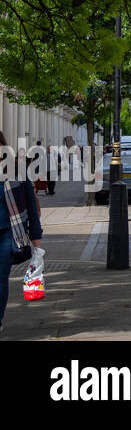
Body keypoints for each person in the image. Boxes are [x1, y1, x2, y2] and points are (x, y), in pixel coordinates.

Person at [1, 129, 44, 334]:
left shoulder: (17, 171)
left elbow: (31, 205)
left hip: (9, 235)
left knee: (0, 278)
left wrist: (36, 235)